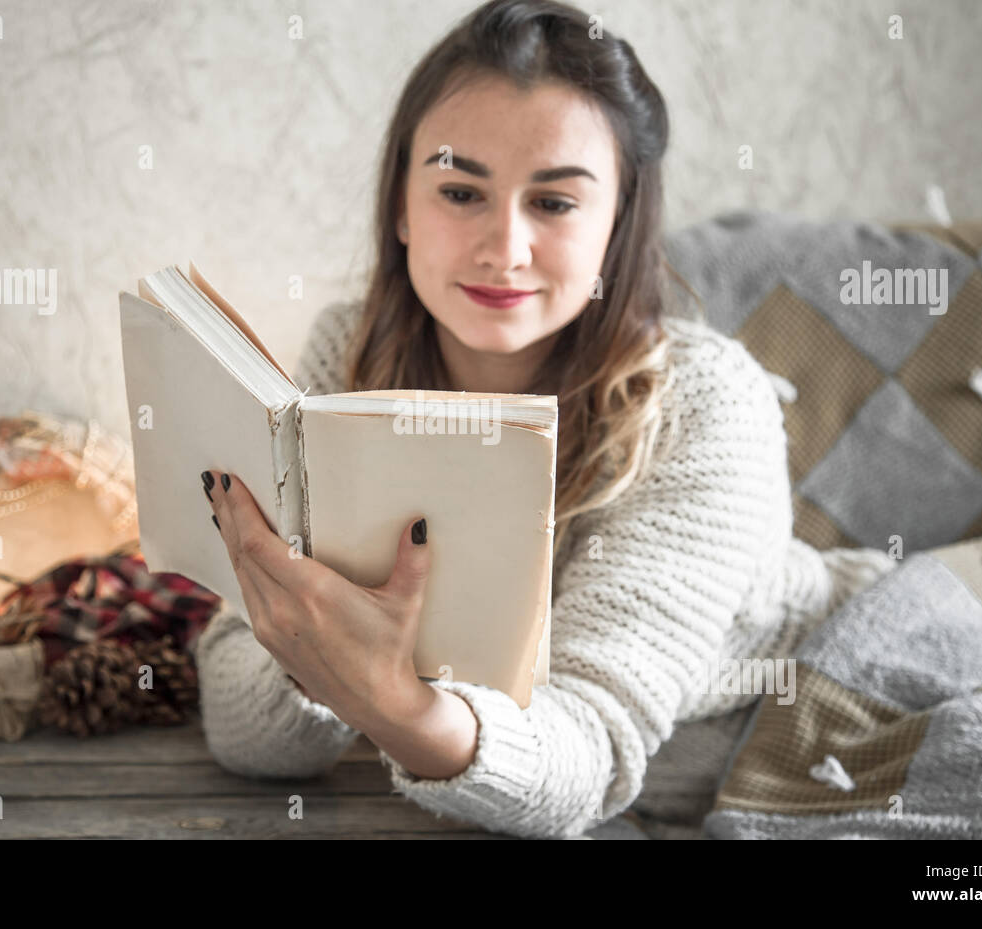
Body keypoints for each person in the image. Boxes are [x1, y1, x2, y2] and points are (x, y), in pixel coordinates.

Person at [196, 0, 893, 839]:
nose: (505, 247)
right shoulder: (346, 353)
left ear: (618, 223)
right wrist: (311, 659)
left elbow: (588, 755)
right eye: (461, 191)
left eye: (555, 204)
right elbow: (240, 722)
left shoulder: (705, 402)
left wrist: (396, 703)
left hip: (824, 653)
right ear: (402, 207)